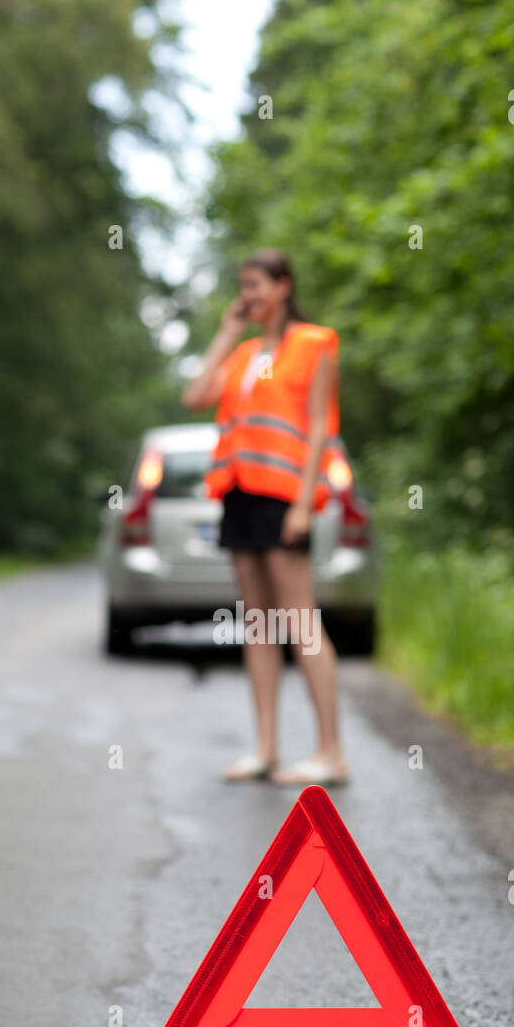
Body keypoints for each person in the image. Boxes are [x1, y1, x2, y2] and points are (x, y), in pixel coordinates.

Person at [182, 248, 350, 787]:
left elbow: (322, 424)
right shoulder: (246, 352)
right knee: (258, 625)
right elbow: (195, 396)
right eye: (243, 287)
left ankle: (330, 752)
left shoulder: (315, 343)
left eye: (255, 285)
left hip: (285, 498)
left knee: (300, 621)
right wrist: (226, 333)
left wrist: (305, 503)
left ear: (283, 286)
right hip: (240, 494)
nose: (247, 296)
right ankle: (267, 749)